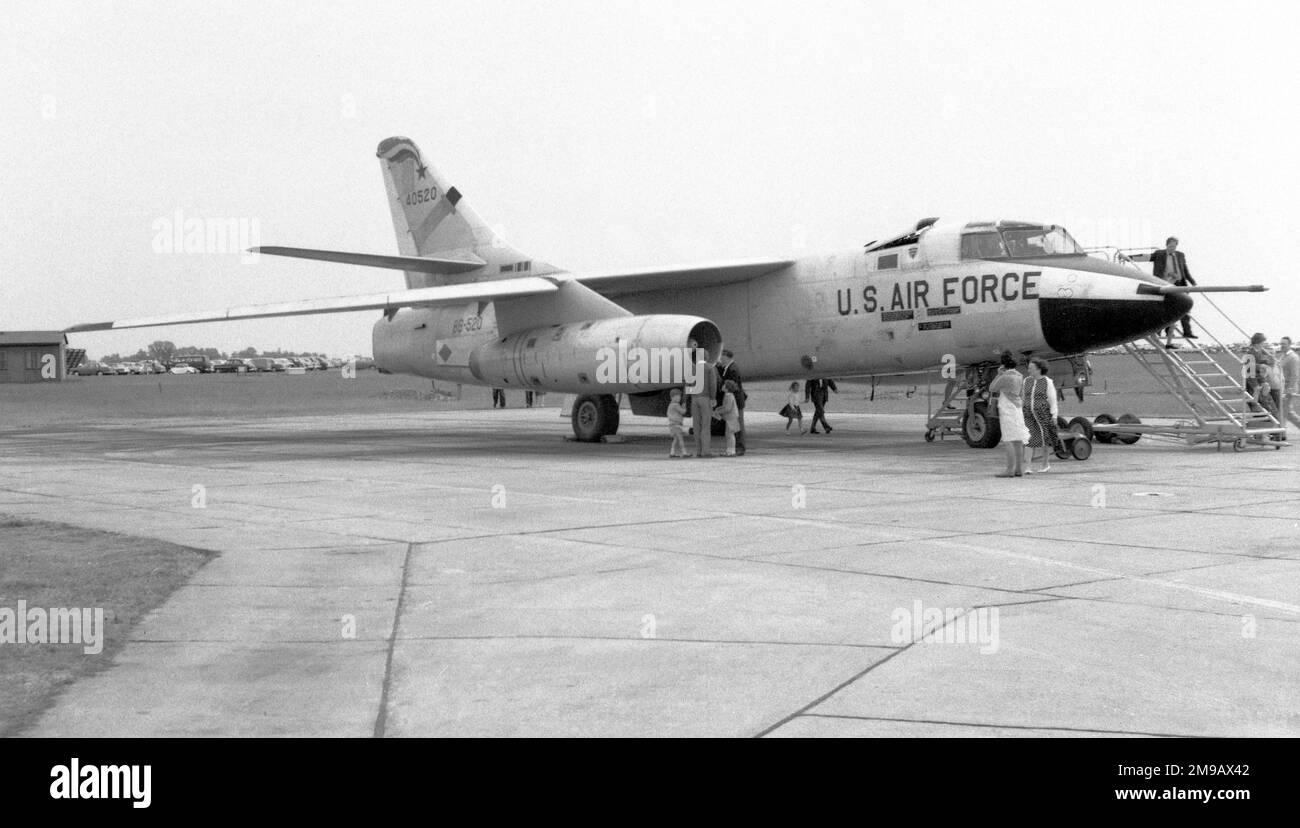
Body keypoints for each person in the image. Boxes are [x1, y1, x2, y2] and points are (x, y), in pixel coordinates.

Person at [988, 351, 1028, 477]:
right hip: (1017, 407)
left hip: (1007, 408)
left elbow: (992, 388)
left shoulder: (1005, 377)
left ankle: (1010, 469)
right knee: (1017, 440)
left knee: (1008, 439)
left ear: (1003, 364)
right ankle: (1019, 469)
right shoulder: (1019, 376)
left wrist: (998, 374)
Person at [1151, 237, 1196, 348]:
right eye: (1171, 246)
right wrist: (1129, 258)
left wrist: (1193, 282)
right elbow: (1148, 258)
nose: (1173, 248)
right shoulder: (1159, 254)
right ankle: (1164, 332)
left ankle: (1187, 332)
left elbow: (1184, 270)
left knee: (1185, 306)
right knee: (1168, 309)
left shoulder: (1180, 255)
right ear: (1166, 245)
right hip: (1167, 284)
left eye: (1174, 246)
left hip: (1180, 283)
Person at [1021, 357, 1062, 473]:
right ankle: (1028, 467)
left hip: (1043, 414)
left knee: (1045, 439)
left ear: (1038, 369)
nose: (1028, 370)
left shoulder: (1047, 382)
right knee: (1028, 439)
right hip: (1028, 414)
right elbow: (1024, 397)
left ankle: (1045, 464)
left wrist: (1054, 416)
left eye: (1031, 368)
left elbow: (1053, 400)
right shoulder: (1026, 381)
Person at [716, 350, 747, 454]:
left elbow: (731, 385)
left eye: (722, 357)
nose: (721, 359)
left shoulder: (732, 369)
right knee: (735, 426)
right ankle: (736, 448)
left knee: (737, 426)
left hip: (736, 401)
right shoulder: (728, 367)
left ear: (726, 357)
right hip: (735, 400)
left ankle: (740, 447)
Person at [691, 352, 718, 457]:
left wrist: (687, 399)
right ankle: (705, 451)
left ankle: (698, 451)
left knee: (696, 426)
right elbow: (712, 384)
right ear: (707, 357)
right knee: (706, 426)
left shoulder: (692, 368)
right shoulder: (709, 368)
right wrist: (713, 397)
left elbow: (687, 385)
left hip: (694, 398)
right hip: (705, 397)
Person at [1279, 336, 1300, 435]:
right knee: (1288, 412)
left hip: (1289, 388)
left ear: (1289, 345)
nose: (1282, 346)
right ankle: (1280, 433)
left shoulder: (1293, 357)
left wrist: (1290, 389)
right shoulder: (1283, 356)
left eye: (1284, 344)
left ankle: (1281, 434)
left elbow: (1295, 375)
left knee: (1283, 410)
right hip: (1283, 387)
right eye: (1281, 344)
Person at [714, 380, 741, 456]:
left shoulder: (729, 396)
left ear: (727, 388)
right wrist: (719, 409)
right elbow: (725, 407)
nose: (722, 386)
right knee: (728, 434)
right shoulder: (728, 395)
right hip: (731, 417)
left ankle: (731, 451)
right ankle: (729, 450)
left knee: (730, 434)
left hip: (731, 417)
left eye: (724, 385)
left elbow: (728, 408)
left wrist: (719, 411)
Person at [666, 388, 687, 458]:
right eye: (677, 397)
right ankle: (684, 452)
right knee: (680, 438)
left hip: (672, 425)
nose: (679, 398)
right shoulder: (675, 405)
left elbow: (668, 414)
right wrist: (684, 406)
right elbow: (683, 412)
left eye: (680, 397)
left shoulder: (670, 405)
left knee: (675, 439)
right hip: (676, 425)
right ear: (672, 397)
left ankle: (672, 452)